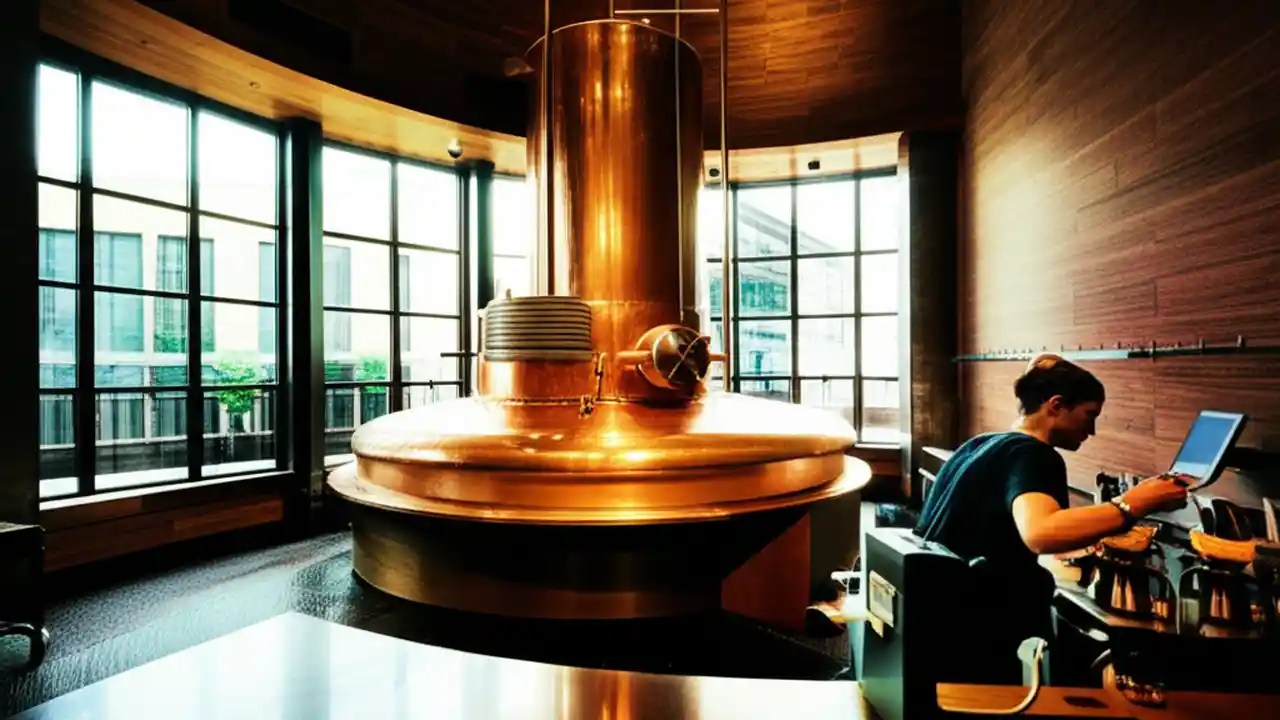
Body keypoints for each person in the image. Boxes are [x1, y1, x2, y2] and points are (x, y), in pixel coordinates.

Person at [913, 354, 1188, 681]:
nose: (1092, 430)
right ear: (1056, 406)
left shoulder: (979, 445)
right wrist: (1135, 503)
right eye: (1089, 415)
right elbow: (1041, 532)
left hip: (935, 623)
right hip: (974, 633)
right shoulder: (1033, 454)